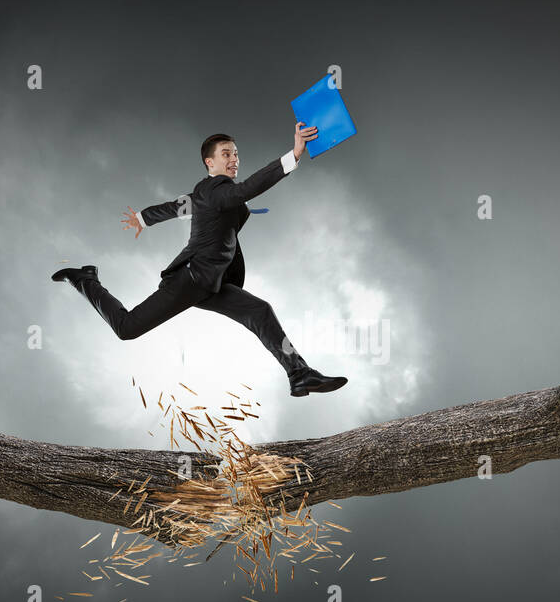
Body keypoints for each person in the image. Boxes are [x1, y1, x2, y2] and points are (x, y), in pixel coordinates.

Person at [52, 122, 347, 397]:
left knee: (260, 311)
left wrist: (143, 218)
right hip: (190, 279)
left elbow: (178, 206)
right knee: (127, 328)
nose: (234, 159)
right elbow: (247, 189)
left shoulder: (209, 194)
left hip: (211, 282)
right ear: (210, 162)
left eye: (236, 153)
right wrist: (293, 155)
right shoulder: (215, 189)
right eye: (226, 154)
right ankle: (86, 280)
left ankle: (299, 374)